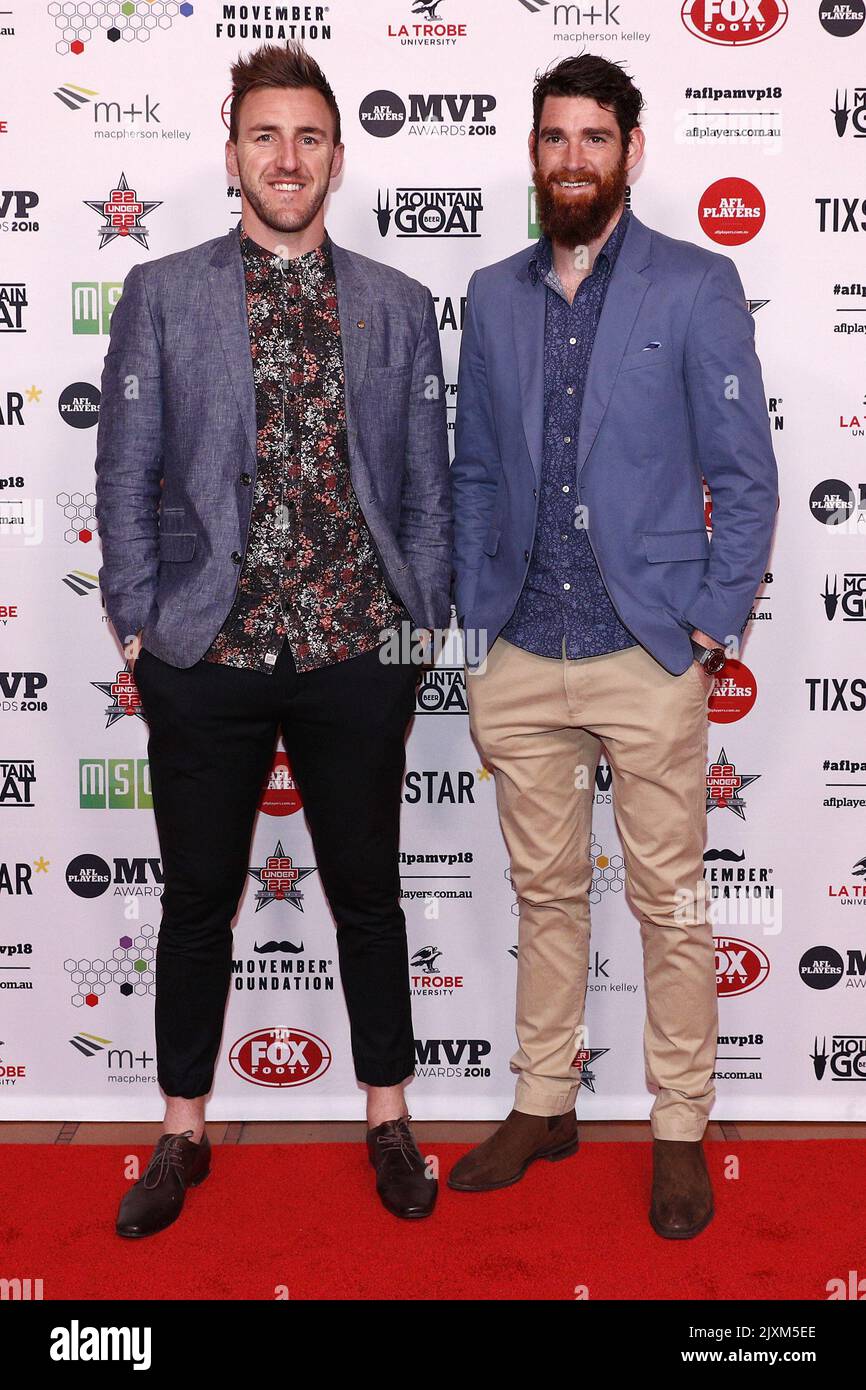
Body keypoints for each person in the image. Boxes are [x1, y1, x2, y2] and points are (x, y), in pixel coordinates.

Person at [94, 40, 451, 1235]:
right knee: (197, 899)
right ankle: (182, 1131)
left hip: (358, 648)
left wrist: (421, 622)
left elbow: (425, 489)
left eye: (307, 137)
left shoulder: (398, 305)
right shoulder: (163, 292)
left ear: (337, 160)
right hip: (205, 654)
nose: (285, 157)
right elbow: (126, 469)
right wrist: (139, 624)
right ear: (232, 150)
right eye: (264, 134)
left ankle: (388, 1117)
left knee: (368, 893)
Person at [448, 53, 778, 1238]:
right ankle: (545, 1102)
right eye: (553, 137)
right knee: (544, 897)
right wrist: (479, 613)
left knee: (670, 905)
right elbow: (475, 467)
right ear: (531, 153)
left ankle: (678, 1123)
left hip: (647, 648)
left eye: (594, 137)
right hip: (525, 644)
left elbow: (744, 476)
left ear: (630, 152)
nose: (572, 158)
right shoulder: (490, 294)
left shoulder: (694, 285)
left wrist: (707, 617)